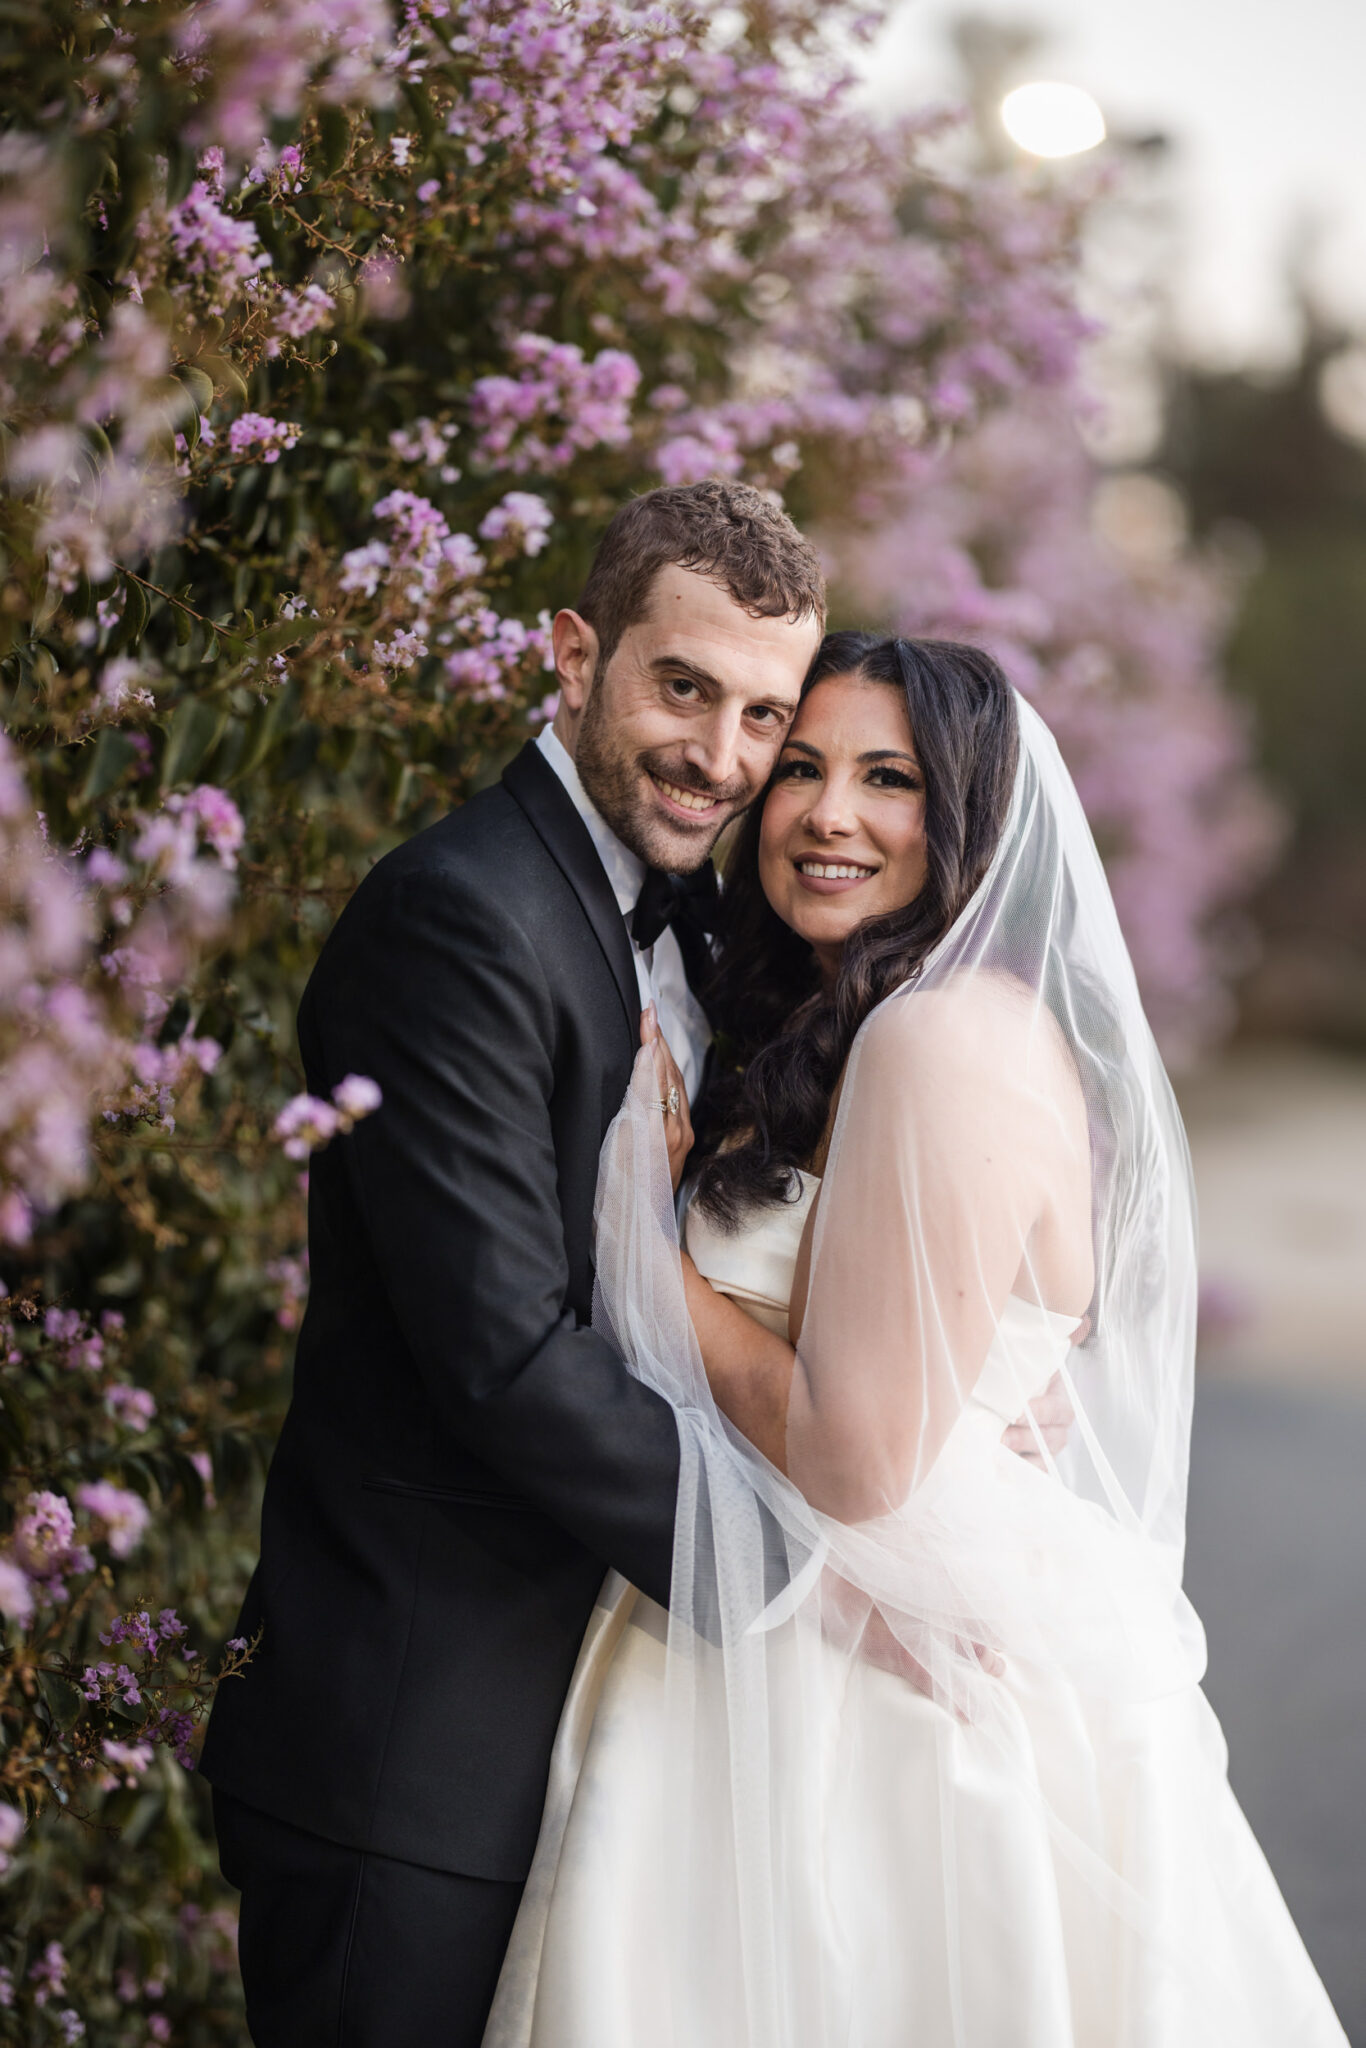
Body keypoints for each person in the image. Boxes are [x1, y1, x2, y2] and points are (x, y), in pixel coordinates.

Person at [484, 634, 1348, 2047]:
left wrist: (645, 1254)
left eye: (888, 779)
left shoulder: (935, 1040)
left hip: (875, 1680)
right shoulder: (855, 1024)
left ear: (968, 816)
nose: (829, 813)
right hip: (781, 1612)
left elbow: (855, 1459)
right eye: (803, 770)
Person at [199, 480, 828, 2045]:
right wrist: (786, 1573)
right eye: (682, 687)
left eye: (764, 715)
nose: (721, 756)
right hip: (411, 1743)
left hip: (570, 1724)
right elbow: (504, 1352)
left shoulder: (680, 917)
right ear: (573, 656)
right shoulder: (459, 919)